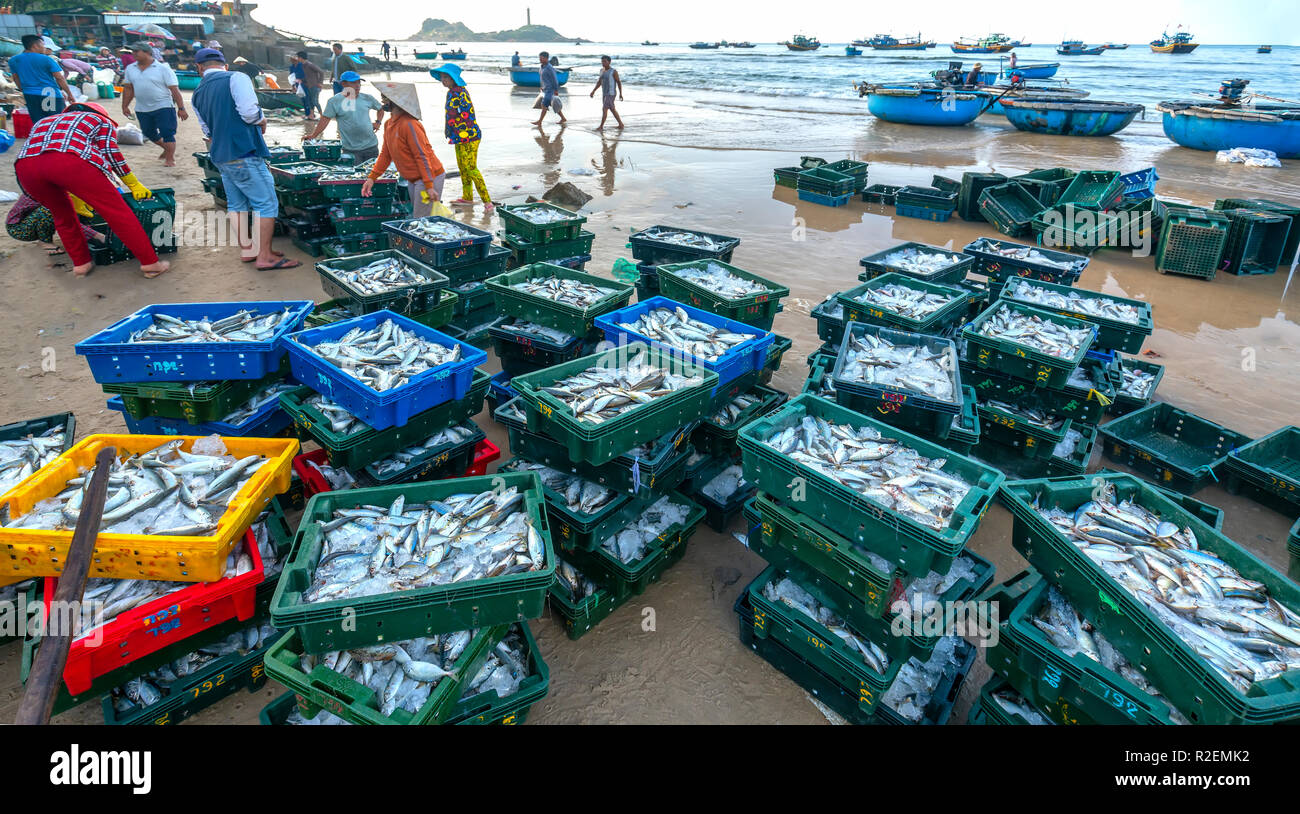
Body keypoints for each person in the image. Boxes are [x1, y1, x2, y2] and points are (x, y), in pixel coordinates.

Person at [14, 102, 169, 278]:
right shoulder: (99, 120)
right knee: (117, 212)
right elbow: (110, 153)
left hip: (26, 167)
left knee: (62, 216)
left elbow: (43, 155)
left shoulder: (44, 121)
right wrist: (132, 182)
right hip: (69, 162)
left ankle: (81, 264)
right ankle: (151, 264)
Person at [191, 48, 300, 270]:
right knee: (266, 204)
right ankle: (265, 256)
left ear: (199, 68)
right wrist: (261, 120)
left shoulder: (197, 92)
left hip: (220, 155)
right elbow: (249, 113)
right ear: (225, 66)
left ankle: (248, 250)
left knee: (237, 203)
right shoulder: (236, 77)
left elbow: (207, 130)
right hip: (243, 152)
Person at [363, 81, 444, 218]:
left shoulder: (410, 124)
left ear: (396, 102)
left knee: (421, 220)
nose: (382, 101)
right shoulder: (389, 124)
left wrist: (429, 186)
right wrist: (372, 178)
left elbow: (421, 156)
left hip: (429, 177)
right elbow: (385, 155)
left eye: (385, 98)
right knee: (420, 217)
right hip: (413, 179)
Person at [431, 63, 491, 211]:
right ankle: (467, 197)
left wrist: (455, 129)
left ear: (453, 78)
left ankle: (487, 201)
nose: (443, 80)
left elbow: (467, 115)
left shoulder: (459, 92)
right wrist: (449, 130)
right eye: (442, 77)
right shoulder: (453, 92)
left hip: (469, 136)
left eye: (446, 77)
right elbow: (450, 114)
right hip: (460, 136)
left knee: (471, 168)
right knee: (463, 168)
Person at [122, 41, 188, 166]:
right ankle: (167, 149)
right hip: (142, 107)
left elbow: (174, 89)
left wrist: (181, 108)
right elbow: (129, 89)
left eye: (137, 51)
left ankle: (170, 158)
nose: (134, 54)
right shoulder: (130, 68)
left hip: (163, 106)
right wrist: (125, 106)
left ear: (147, 52)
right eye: (133, 51)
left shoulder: (163, 68)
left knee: (167, 133)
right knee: (148, 132)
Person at [305, 70, 382, 164]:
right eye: (353, 82)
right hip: (351, 149)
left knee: (373, 175)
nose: (357, 85)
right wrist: (314, 135)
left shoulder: (367, 98)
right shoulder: (334, 101)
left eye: (359, 82)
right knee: (356, 175)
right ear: (344, 84)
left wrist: (378, 122)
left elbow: (380, 109)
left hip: (371, 146)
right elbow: (325, 119)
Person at [6, 191, 107, 257]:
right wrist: (98, 235)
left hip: (32, 223)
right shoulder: (43, 190)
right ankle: (46, 242)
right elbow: (66, 220)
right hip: (19, 229)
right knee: (50, 210)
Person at [9, 34, 73, 125]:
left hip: (30, 95)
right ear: (35, 46)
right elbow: (59, 78)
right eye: (42, 45)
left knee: (39, 123)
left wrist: (23, 90)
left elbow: (16, 78)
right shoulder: (46, 59)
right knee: (55, 122)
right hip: (49, 93)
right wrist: (69, 94)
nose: (44, 47)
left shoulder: (13, 60)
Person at [590, 54, 623, 129]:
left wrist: (620, 94)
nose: (603, 63)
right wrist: (593, 91)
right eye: (602, 62)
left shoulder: (613, 71)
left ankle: (601, 126)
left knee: (604, 109)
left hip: (611, 93)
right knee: (612, 109)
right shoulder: (601, 71)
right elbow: (599, 82)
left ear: (609, 62)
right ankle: (621, 124)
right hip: (604, 93)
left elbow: (618, 82)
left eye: (605, 61)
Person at [533, 50, 565, 126]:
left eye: (542, 58)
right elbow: (542, 78)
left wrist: (556, 90)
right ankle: (563, 118)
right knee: (552, 104)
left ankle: (539, 121)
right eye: (539, 58)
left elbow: (555, 80)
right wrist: (542, 86)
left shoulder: (549, 68)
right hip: (545, 89)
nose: (540, 59)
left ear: (546, 58)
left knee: (544, 105)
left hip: (550, 90)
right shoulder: (541, 67)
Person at [290, 51, 325, 120]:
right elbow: (308, 76)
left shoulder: (309, 65)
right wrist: (301, 80)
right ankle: (311, 115)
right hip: (308, 85)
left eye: (298, 57)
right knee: (310, 101)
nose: (297, 59)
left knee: (315, 101)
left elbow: (321, 72)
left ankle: (322, 116)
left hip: (315, 86)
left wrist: (320, 83)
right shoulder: (303, 65)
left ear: (300, 58)